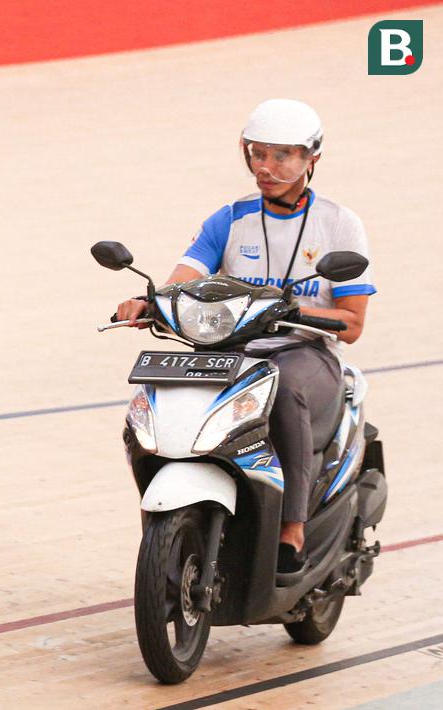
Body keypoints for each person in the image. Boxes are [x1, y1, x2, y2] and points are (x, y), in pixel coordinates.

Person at [115, 99, 376, 574]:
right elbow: (184, 277)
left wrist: (294, 309)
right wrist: (149, 302)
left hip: (305, 354)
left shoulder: (339, 224)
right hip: (234, 351)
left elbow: (352, 322)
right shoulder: (229, 220)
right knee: (166, 392)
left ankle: (291, 528)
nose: (267, 167)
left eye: (282, 156)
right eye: (258, 154)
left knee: (284, 390)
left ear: (311, 158)